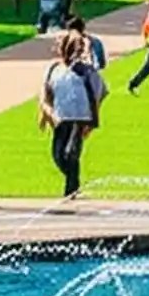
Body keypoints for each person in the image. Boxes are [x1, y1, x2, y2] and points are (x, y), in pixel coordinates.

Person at [39, 34, 108, 198]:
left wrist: (93, 118)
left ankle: (71, 190)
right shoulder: (54, 69)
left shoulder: (86, 71)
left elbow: (101, 91)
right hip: (60, 118)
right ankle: (73, 183)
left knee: (71, 153)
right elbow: (45, 95)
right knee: (58, 155)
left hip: (80, 117)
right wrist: (47, 115)